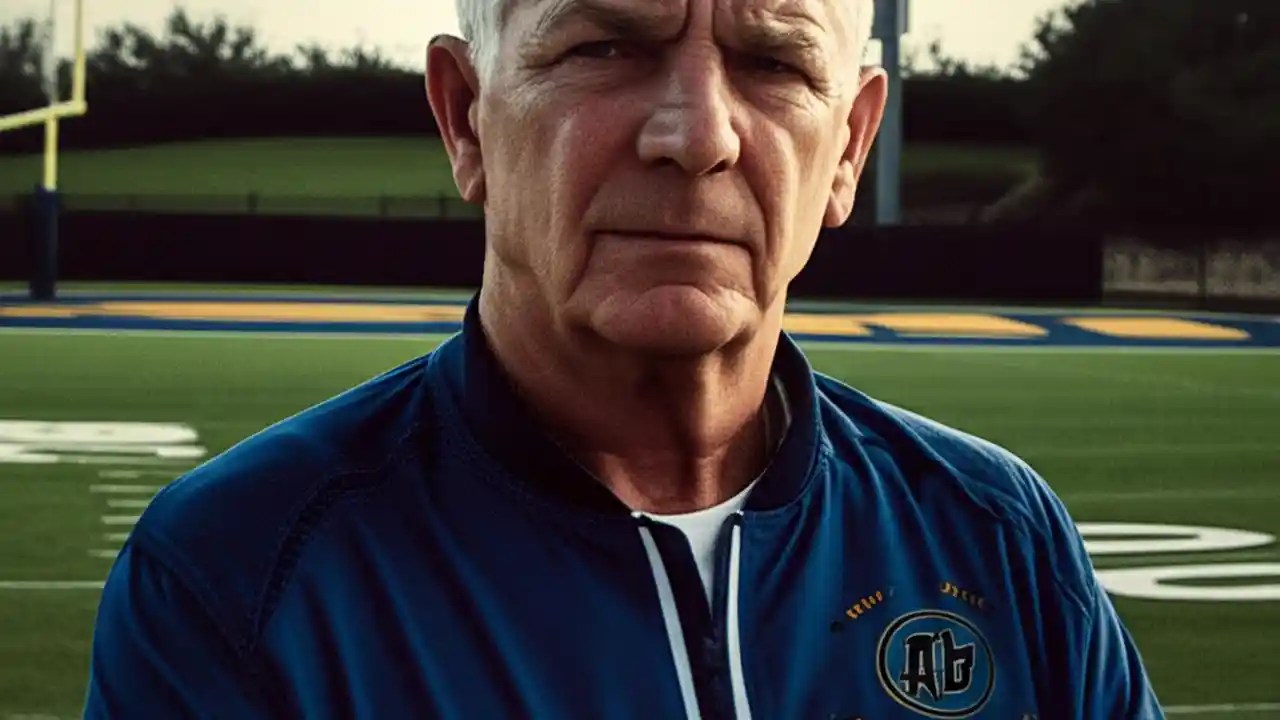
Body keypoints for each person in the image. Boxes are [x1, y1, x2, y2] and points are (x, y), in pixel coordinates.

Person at [83, 0, 1165, 718]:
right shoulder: (242, 570)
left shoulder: (996, 536)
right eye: (603, 47)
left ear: (847, 148)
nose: (697, 136)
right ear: (465, 119)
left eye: (773, 62)